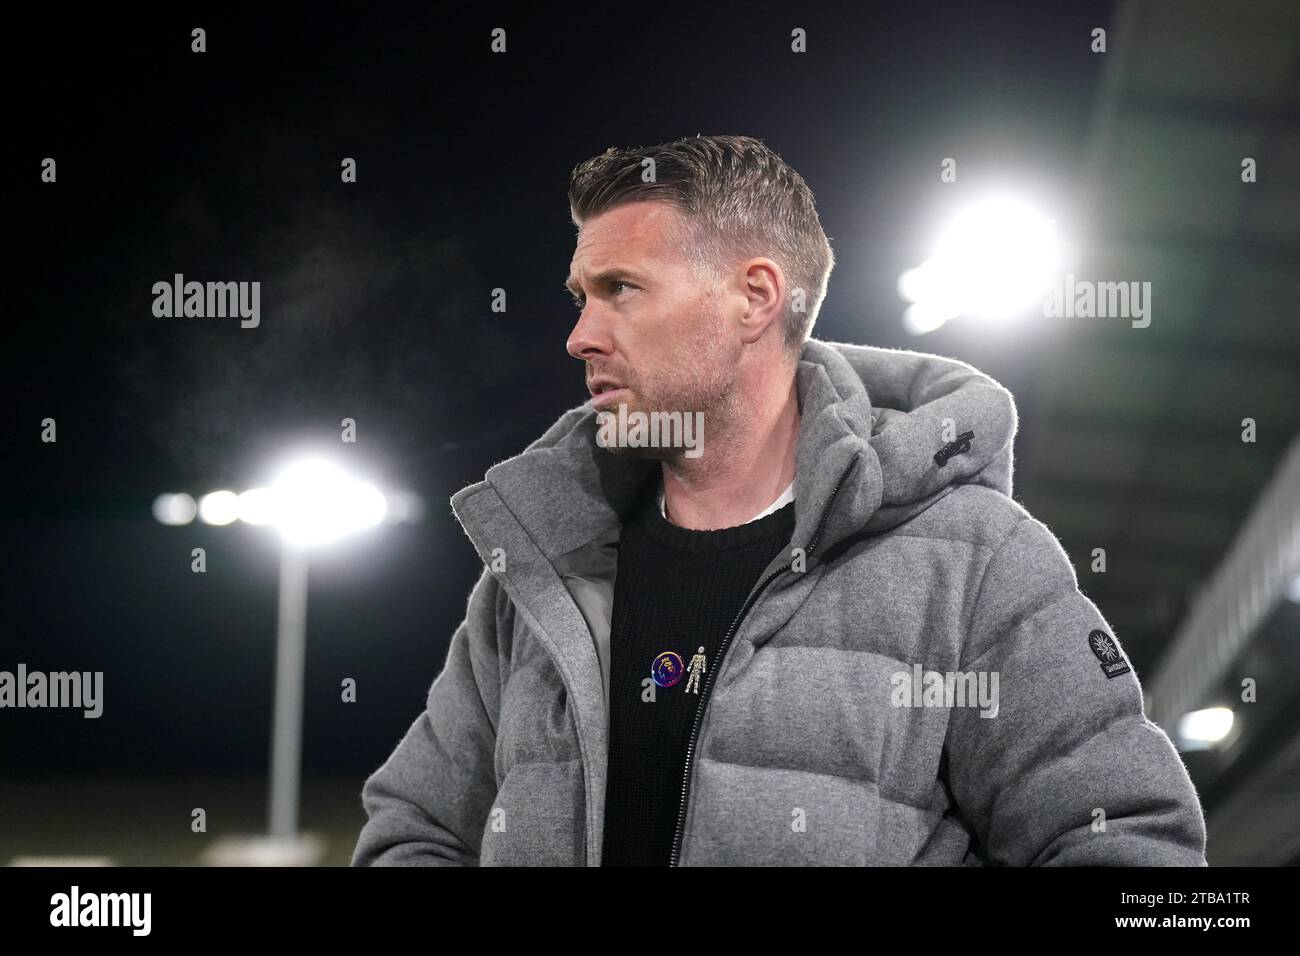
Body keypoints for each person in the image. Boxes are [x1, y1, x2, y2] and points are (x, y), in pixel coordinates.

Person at [352, 134, 1207, 866]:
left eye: (621, 289)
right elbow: (414, 832)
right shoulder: (537, 577)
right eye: (582, 297)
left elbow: (1131, 848)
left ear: (754, 298)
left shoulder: (975, 562)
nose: (580, 335)